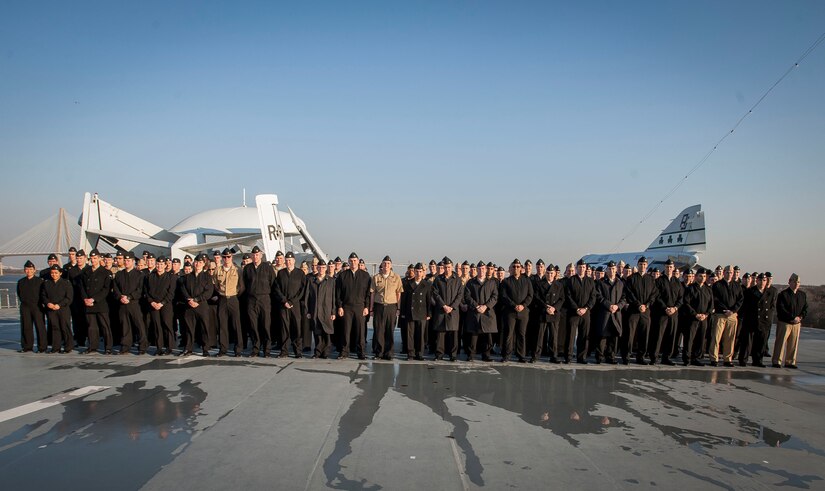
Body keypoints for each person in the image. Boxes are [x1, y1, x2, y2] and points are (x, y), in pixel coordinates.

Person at [622, 257, 658, 365]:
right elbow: (629, 293)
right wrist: (638, 305)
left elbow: (654, 294)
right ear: (637, 265)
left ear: (647, 266)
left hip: (645, 311)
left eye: (644, 264)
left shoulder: (651, 279)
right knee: (630, 334)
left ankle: (641, 357)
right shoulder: (631, 278)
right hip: (633, 310)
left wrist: (647, 305)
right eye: (641, 264)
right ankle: (626, 356)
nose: (642, 266)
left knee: (644, 334)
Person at [335, 252, 371, 359]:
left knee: (360, 331)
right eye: (351, 261)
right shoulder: (342, 275)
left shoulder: (365, 276)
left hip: (360, 307)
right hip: (347, 307)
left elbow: (368, 294)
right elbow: (338, 293)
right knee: (345, 331)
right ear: (348, 262)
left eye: (355, 261)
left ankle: (361, 352)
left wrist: (367, 306)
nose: (353, 262)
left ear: (358, 261)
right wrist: (340, 306)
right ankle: (344, 352)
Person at [112, 251, 148, 354]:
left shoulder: (139, 274)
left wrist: (129, 297)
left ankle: (142, 347)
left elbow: (140, 289)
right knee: (125, 326)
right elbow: (115, 288)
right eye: (125, 260)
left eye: (128, 260)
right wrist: (120, 297)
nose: (126, 262)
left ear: (133, 262)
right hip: (122, 303)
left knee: (139, 326)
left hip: (134, 303)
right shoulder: (119, 274)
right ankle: (125, 346)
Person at [242, 246, 275, 357]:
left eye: (257, 255)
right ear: (251, 256)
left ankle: (267, 349)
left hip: (264, 299)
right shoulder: (248, 268)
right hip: (251, 300)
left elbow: (273, 283)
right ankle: (255, 349)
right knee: (253, 325)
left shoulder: (267, 267)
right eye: (253, 255)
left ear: (261, 255)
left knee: (265, 325)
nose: (255, 257)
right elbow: (244, 284)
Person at [499, 259, 534, 363]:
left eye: (518, 266)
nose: (516, 268)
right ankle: (506, 355)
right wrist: (514, 305)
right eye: (514, 266)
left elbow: (530, 295)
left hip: (523, 312)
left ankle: (521, 355)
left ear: (521, 268)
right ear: (511, 268)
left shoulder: (527, 281)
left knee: (521, 334)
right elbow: (504, 296)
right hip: (510, 312)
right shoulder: (506, 281)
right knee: (509, 334)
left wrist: (523, 305)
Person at [274, 251, 307, 358]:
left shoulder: (300, 273)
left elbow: (302, 289)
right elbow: (277, 288)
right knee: (284, 328)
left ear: (294, 261)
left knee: (297, 328)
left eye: (290, 260)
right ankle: (284, 351)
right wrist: (284, 301)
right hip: (283, 306)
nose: (288, 262)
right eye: (287, 260)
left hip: (295, 305)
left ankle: (298, 351)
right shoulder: (281, 273)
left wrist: (292, 301)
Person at [592, 261, 626, 364]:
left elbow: (624, 298)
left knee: (613, 336)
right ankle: (599, 357)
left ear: (616, 270)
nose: (611, 271)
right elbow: (598, 296)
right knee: (602, 335)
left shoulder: (620, 283)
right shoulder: (601, 282)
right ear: (606, 270)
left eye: (613, 269)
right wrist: (608, 305)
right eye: (609, 269)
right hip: (605, 313)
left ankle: (611, 357)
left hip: (616, 314)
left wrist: (617, 306)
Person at [463, 261, 498, 362]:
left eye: (483, 269)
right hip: (475, 312)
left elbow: (495, 296)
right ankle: (471, 355)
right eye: (479, 269)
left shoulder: (491, 282)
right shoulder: (471, 282)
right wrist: (476, 306)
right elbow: (467, 296)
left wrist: (486, 306)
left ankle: (486, 355)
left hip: (487, 312)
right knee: (473, 335)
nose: (481, 271)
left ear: (486, 270)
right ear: (476, 270)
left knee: (487, 335)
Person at [370, 255, 403, 360]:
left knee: (390, 330)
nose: (386, 265)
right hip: (378, 306)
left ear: (391, 265)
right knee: (378, 330)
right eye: (384, 263)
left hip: (391, 307)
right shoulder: (376, 277)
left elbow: (398, 294)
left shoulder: (396, 277)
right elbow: (372, 294)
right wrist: (371, 309)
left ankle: (389, 353)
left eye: (388, 263)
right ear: (382, 265)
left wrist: (398, 308)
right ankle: (379, 352)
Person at [80, 249, 113, 354]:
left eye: (95, 258)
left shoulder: (106, 272)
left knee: (105, 326)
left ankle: (108, 347)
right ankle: (92, 346)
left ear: (99, 258)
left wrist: (94, 299)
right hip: (88, 303)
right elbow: (82, 287)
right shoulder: (86, 272)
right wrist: (85, 298)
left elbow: (106, 289)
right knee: (91, 327)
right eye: (92, 258)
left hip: (100, 303)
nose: (93, 260)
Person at [650, 259, 683, 365]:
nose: (669, 269)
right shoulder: (659, 281)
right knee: (658, 335)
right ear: (664, 267)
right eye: (667, 267)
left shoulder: (677, 281)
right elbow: (657, 296)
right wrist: (665, 308)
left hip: (673, 313)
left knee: (671, 335)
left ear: (673, 268)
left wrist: (675, 308)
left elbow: (681, 298)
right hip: (661, 313)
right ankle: (654, 357)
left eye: (671, 267)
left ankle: (666, 357)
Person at [431, 257, 464, 361]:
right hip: (441, 310)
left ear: (452, 267)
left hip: (453, 310)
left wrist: (452, 306)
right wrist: (443, 305)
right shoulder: (438, 279)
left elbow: (460, 294)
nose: (447, 269)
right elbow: (435, 294)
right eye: (445, 267)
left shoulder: (457, 279)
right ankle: (439, 354)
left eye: (449, 267)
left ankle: (453, 355)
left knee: (453, 334)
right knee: (440, 333)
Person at [710, 265, 744, 367]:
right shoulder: (717, 285)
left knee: (730, 338)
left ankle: (727, 359)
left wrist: (732, 310)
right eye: (727, 272)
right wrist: (725, 309)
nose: (729, 274)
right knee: (716, 337)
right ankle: (714, 358)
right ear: (724, 272)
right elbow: (715, 299)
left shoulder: (737, 286)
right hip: (720, 314)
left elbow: (740, 299)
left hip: (732, 315)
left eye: (731, 272)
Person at [772, 273, 807, 369]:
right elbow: (781, 308)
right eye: (794, 282)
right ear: (789, 282)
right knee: (780, 343)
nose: (796, 284)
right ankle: (777, 361)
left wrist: (800, 317)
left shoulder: (802, 295)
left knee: (793, 343)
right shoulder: (783, 294)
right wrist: (792, 317)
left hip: (797, 324)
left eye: (798, 282)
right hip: (785, 323)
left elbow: (805, 308)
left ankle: (790, 361)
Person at [181, 254, 214, 356]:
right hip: (189, 305)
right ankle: (188, 348)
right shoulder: (188, 277)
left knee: (204, 327)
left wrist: (197, 299)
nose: (197, 264)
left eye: (200, 262)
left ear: (203, 264)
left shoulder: (207, 277)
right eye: (196, 262)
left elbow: (209, 292)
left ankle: (205, 348)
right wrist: (189, 299)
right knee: (189, 328)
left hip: (202, 305)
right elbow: (183, 289)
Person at [213, 248, 244, 357]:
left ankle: (238, 349)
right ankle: (223, 349)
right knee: (222, 325)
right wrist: (221, 293)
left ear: (232, 257)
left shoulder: (237, 270)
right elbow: (215, 285)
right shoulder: (218, 270)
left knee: (236, 325)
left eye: (228, 257)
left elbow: (241, 286)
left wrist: (235, 295)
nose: (226, 259)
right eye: (224, 257)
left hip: (233, 298)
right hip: (222, 299)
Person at [565, 259, 596, 364]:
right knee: (571, 335)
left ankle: (581, 357)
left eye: (583, 267)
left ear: (585, 268)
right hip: (573, 313)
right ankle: (568, 356)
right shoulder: (571, 280)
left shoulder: (590, 281)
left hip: (586, 313)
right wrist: (576, 308)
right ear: (576, 268)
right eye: (580, 267)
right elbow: (568, 296)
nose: (582, 269)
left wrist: (586, 308)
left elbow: (593, 297)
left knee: (584, 336)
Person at [144, 256, 176, 356]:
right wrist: (152, 302)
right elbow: (146, 292)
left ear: (165, 265)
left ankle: (169, 347)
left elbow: (171, 293)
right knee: (157, 326)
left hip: (165, 305)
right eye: (158, 264)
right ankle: (159, 347)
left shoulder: (171, 277)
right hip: (154, 305)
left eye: (161, 264)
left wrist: (162, 303)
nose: (159, 266)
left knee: (167, 325)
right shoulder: (150, 277)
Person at [532, 263, 565, 363]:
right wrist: (546, 307)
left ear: (554, 274)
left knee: (553, 336)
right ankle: (536, 355)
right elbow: (536, 297)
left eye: (551, 273)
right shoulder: (539, 284)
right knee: (540, 335)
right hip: (543, 312)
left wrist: (554, 308)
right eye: (548, 273)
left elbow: (562, 299)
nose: (550, 275)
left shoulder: (559, 285)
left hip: (554, 313)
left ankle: (553, 356)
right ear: (545, 273)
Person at [681, 269, 713, 366]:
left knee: (700, 339)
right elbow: (686, 303)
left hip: (704, 319)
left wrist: (706, 314)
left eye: (704, 276)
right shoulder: (690, 288)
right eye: (700, 276)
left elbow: (711, 305)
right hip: (692, 318)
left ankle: (695, 358)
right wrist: (695, 314)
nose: (702, 278)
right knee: (689, 339)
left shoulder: (708, 289)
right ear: (696, 276)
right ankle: (687, 359)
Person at [738, 273, 773, 367]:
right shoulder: (750, 292)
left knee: (760, 342)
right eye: (760, 280)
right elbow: (744, 306)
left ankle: (757, 360)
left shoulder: (769, 293)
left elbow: (771, 307)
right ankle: (743, 360)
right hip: (751, 319)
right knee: (747, 342)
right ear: (756, 281)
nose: (762, 282)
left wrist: (769, 320)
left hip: (763, 321)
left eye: (764, 280)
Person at [306, 260, 336, 359]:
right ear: (317, 268)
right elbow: (307, 297)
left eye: (323, 267)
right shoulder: (311, 280)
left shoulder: (331, 281)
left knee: (327, 332)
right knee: (317, 332)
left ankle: (326, 352)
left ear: (326, 268)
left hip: (327, 310)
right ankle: (318, 352)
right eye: (319, 267)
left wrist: (333, 311)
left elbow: (334, 298)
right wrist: (308, 311)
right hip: (315, 310)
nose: (321, 269)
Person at [402, 263, 432, 360]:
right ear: (414, 272)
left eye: (420, 271)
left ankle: (419, 354)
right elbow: (404, 299)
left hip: (422, 312)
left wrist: (429, 313)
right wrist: (403, 312)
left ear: (423, 272)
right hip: (410, 312)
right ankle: (410, 354)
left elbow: (428, 300)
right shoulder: (408, 284)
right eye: (416, 271)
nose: (418, 273)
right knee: (410, 334)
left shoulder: (426, 284)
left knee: (420, 334)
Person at [41, 265, 73, 353]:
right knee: (54, 328)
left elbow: (69, 297)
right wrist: (47, 303)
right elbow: (43, 295)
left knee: (65, 327)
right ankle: (55, 347)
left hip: (63, 309)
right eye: (52, 273)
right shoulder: (47, 283)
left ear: (60, 273)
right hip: (51, 309)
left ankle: (68, 347)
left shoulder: (66, 283)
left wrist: (59, 305)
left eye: (56, 273)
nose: (54, 275)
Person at [17, 260, 46, 353]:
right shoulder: (21, 282)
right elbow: (19, 294)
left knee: (40, 327)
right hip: (25, 307)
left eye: (30, 269)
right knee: (26, 327)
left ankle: (42, 347)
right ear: (24, 270)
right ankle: (27, 346)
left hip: (37, 306)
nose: (28, 271)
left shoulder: (40, 281)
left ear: (34, 270)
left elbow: (43, 294)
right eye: (26, 269)